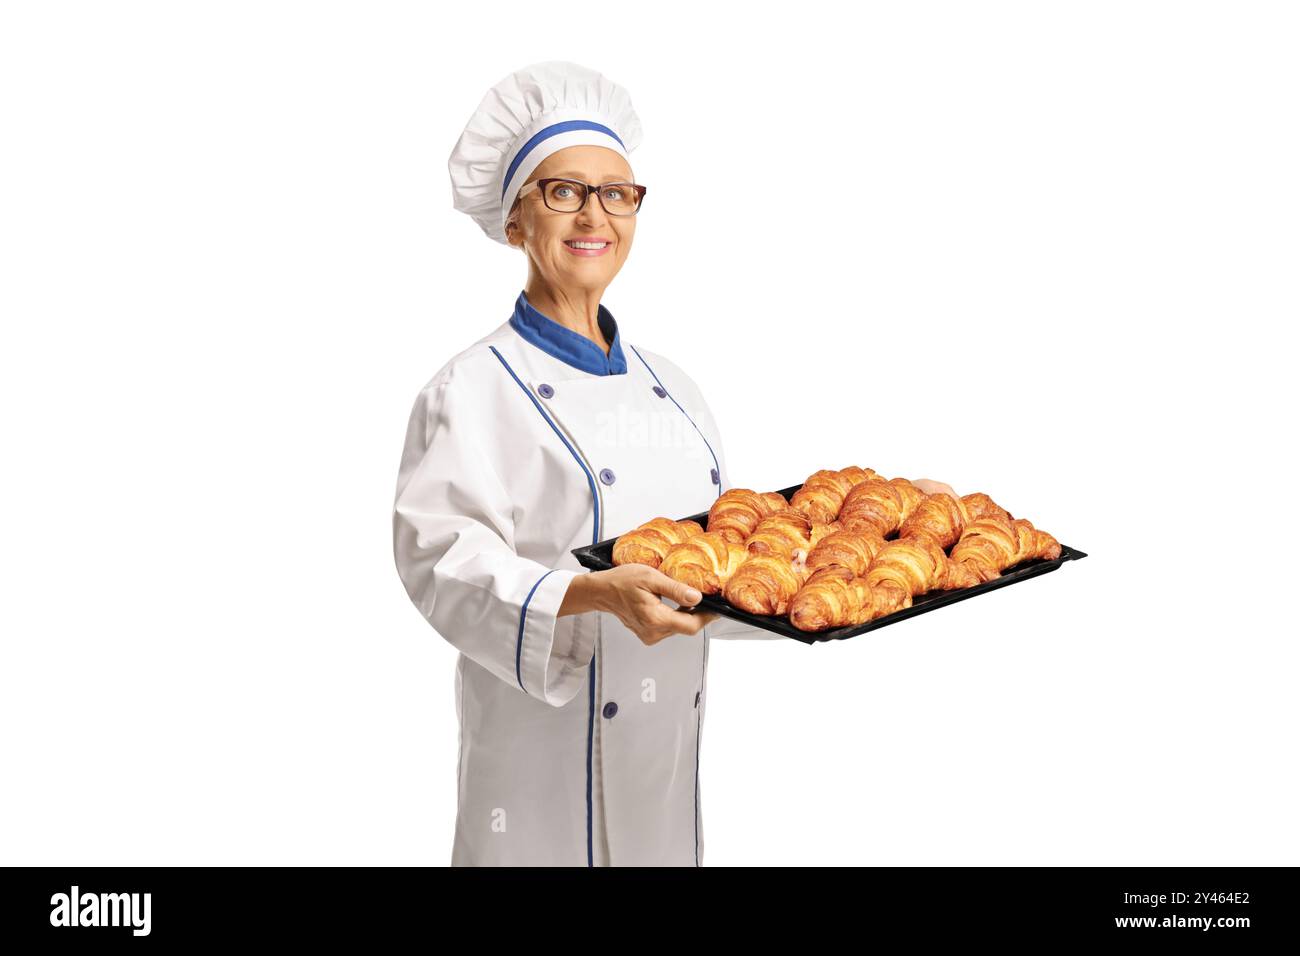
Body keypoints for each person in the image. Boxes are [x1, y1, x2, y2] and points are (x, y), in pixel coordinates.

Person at [393, 61, 955, 866]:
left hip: (663, 779)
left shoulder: (675, 390)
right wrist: (586, 593)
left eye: (617, 193)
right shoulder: (471, 388)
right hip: (537, 785)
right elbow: (439, 564)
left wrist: (896, 532)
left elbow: (734, 562)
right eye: (564, 191)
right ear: (516, 221)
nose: (596, 214)